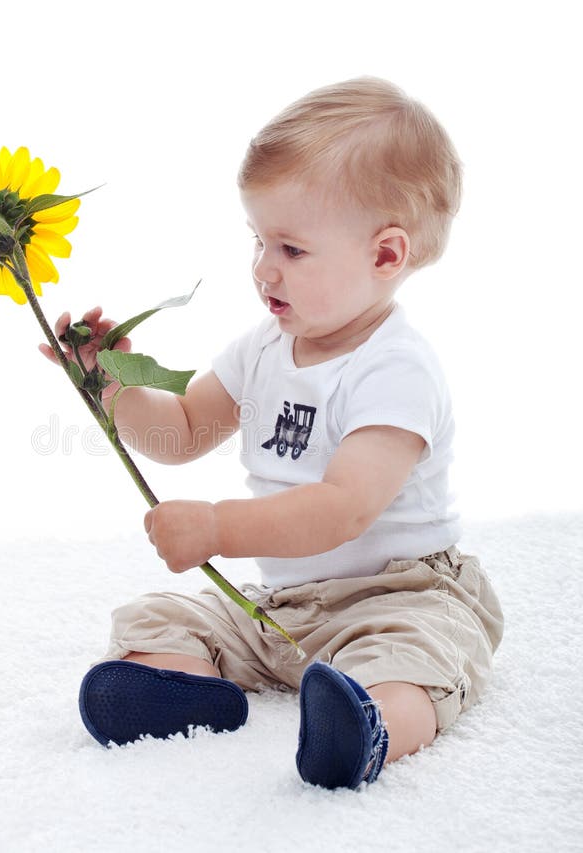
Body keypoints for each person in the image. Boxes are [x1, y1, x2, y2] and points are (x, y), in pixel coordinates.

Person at [40, 77, 503, 789]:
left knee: (421, 655)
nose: (263, 268)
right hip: (284, 604)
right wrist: (109, 386)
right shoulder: (263, 347)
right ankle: (185, 689)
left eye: (290, 247)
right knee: (157, 615)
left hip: (398, 594)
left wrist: (220, 528)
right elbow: (184, 431)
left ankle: (368, 726)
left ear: (385, 255)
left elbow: (344, 507)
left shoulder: (395, 369)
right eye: (258, 240)